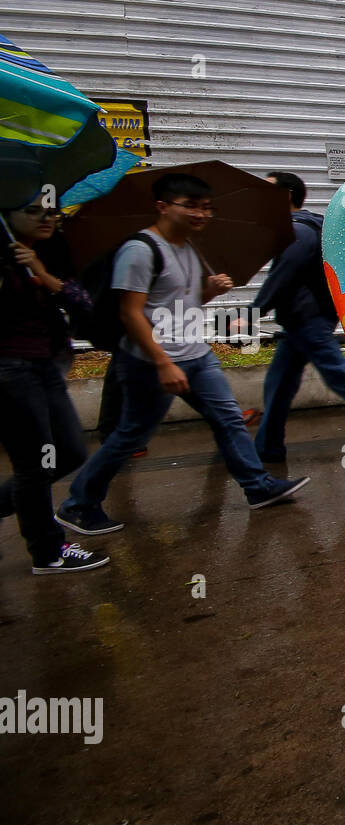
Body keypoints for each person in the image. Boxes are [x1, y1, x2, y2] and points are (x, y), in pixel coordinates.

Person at [57, 172, 309, 535]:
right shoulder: (140, 251)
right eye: (190, 206)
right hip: (151, 361)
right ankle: (78, 504)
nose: (201, 215)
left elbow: (185, 304)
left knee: (229, 419)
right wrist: (163, 362)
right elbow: (131, 312)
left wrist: (210, 291)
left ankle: (257, 487)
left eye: (206, 208)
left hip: (196, 354)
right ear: (162, 206)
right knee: (131, 434)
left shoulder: (190, 248)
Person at [253, 170, 345, 462]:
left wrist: (254, 310)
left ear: (286, 196)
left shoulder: (299, 231)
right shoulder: (303, 227)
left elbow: (283, 275)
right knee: (278, 385)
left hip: (309, 319)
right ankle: (268, 447)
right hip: (300, 320)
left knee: (341, 379)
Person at [0, 202, 109, 572]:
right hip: (10, 369)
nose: (48, 219)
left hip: (46, 363)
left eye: (52, 212)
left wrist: (42, 274)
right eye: (33, 211)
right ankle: (48, 552)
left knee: (69, 452)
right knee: (33, 464)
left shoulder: (49, 251)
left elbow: (83, 304)